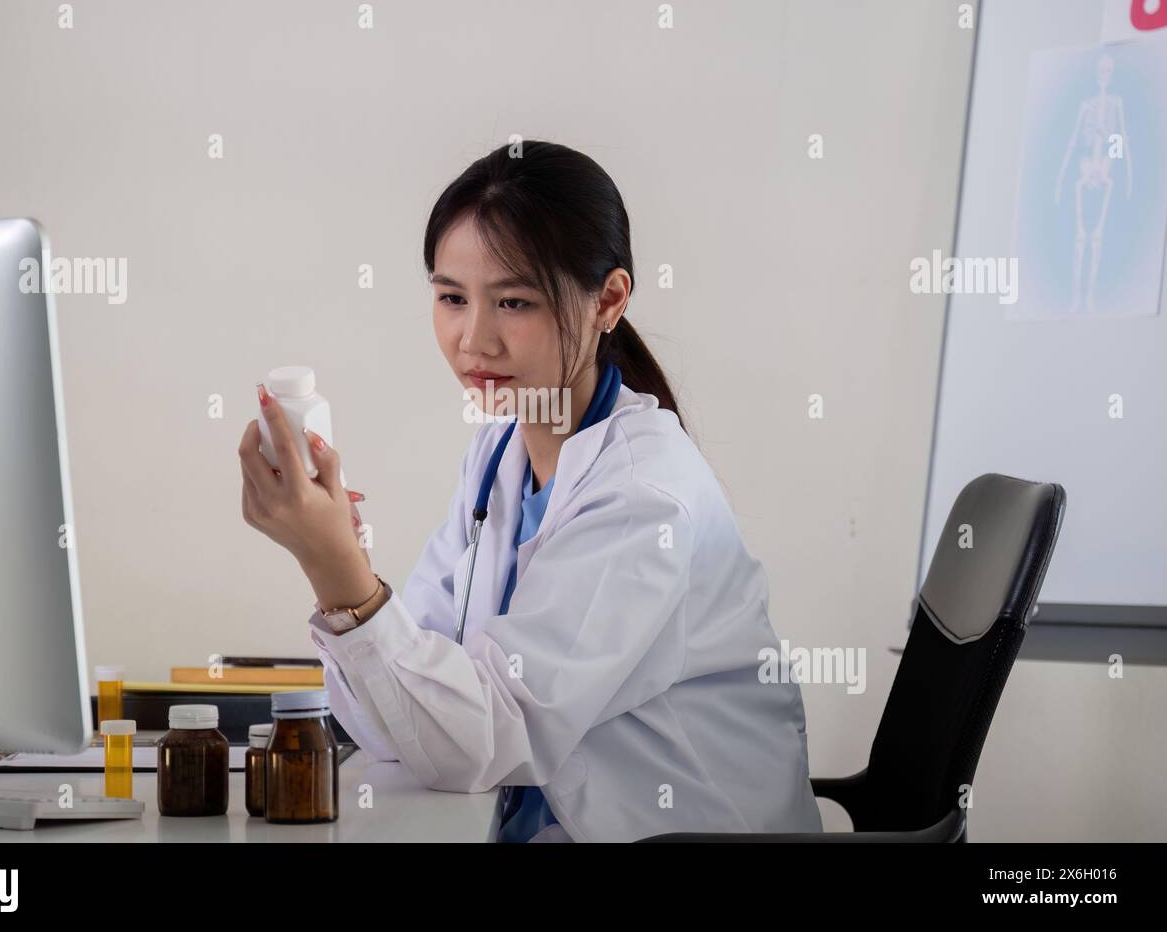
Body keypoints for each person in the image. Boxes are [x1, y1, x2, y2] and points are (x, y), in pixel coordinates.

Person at [238, 141, 822, 842]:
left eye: (513, 301)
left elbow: (477, 739)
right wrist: (340, 566)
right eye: (451, 298)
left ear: (608, 300)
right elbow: (398, 723)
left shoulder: (645, 497)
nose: (472, 339)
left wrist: (336, 572)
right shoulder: (501, 454)